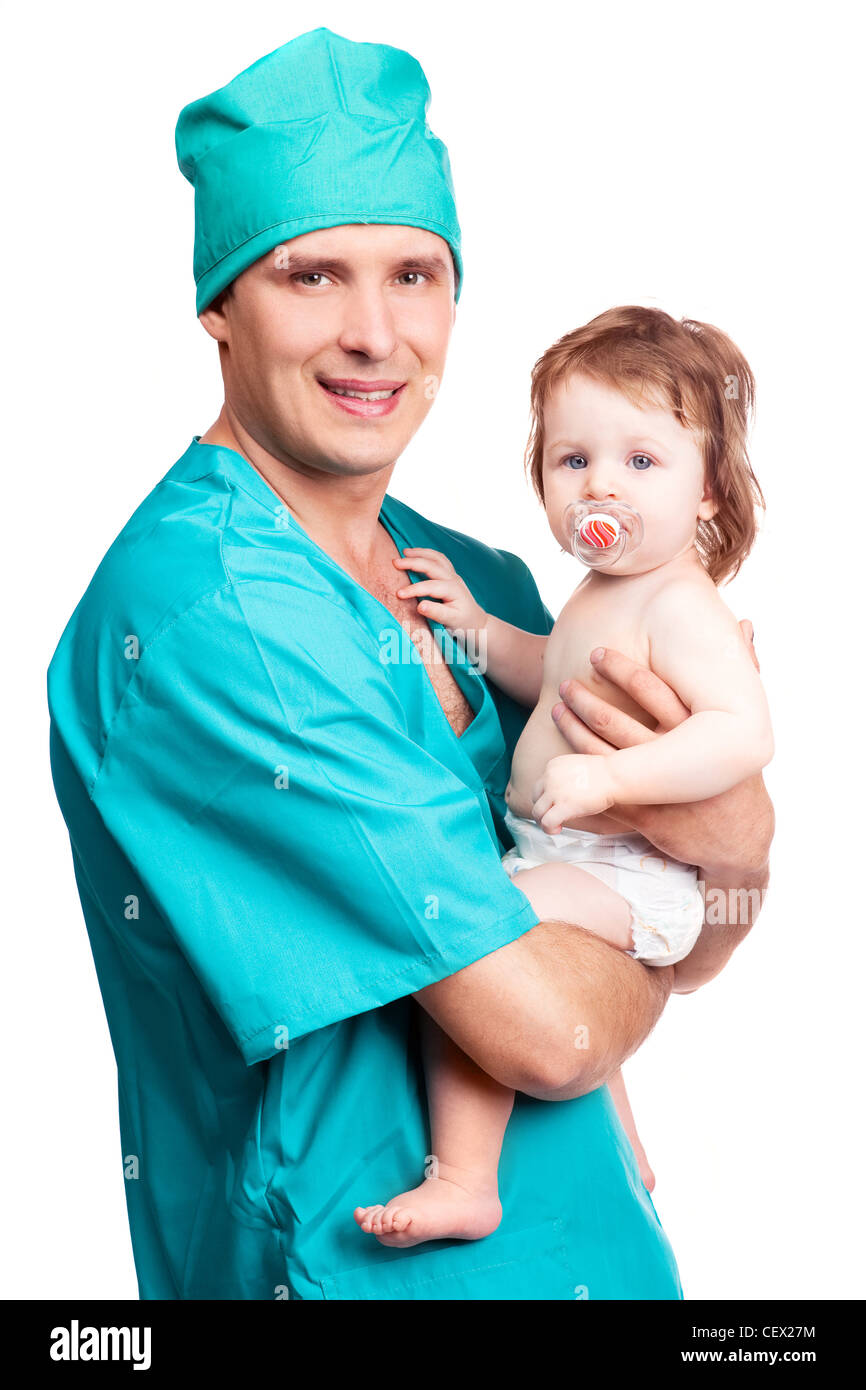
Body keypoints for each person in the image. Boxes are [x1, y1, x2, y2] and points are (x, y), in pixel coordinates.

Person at [47, 28, 773, 1300]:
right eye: (310, 276)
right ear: (220, 302)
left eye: (415, 275)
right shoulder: (214, 616)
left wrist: (729, 848)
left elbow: (710, 912)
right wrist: (702, 868)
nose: (375, 334)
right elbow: (552, 1033)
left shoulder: (481, 583)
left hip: (602, 1262)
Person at [355, 306, 773, 1247]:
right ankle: (623, 1148)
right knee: (543, 957)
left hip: (635, 875)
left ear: (708, 490)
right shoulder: (603, 595)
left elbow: (742, 733)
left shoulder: (680, 601)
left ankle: (465, 1177)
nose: (601, 486)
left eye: (641, 462)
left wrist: (615, 784)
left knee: (483, 925)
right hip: (588, 858)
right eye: (572, 459)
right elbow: (547, 667)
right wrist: (471, 625)